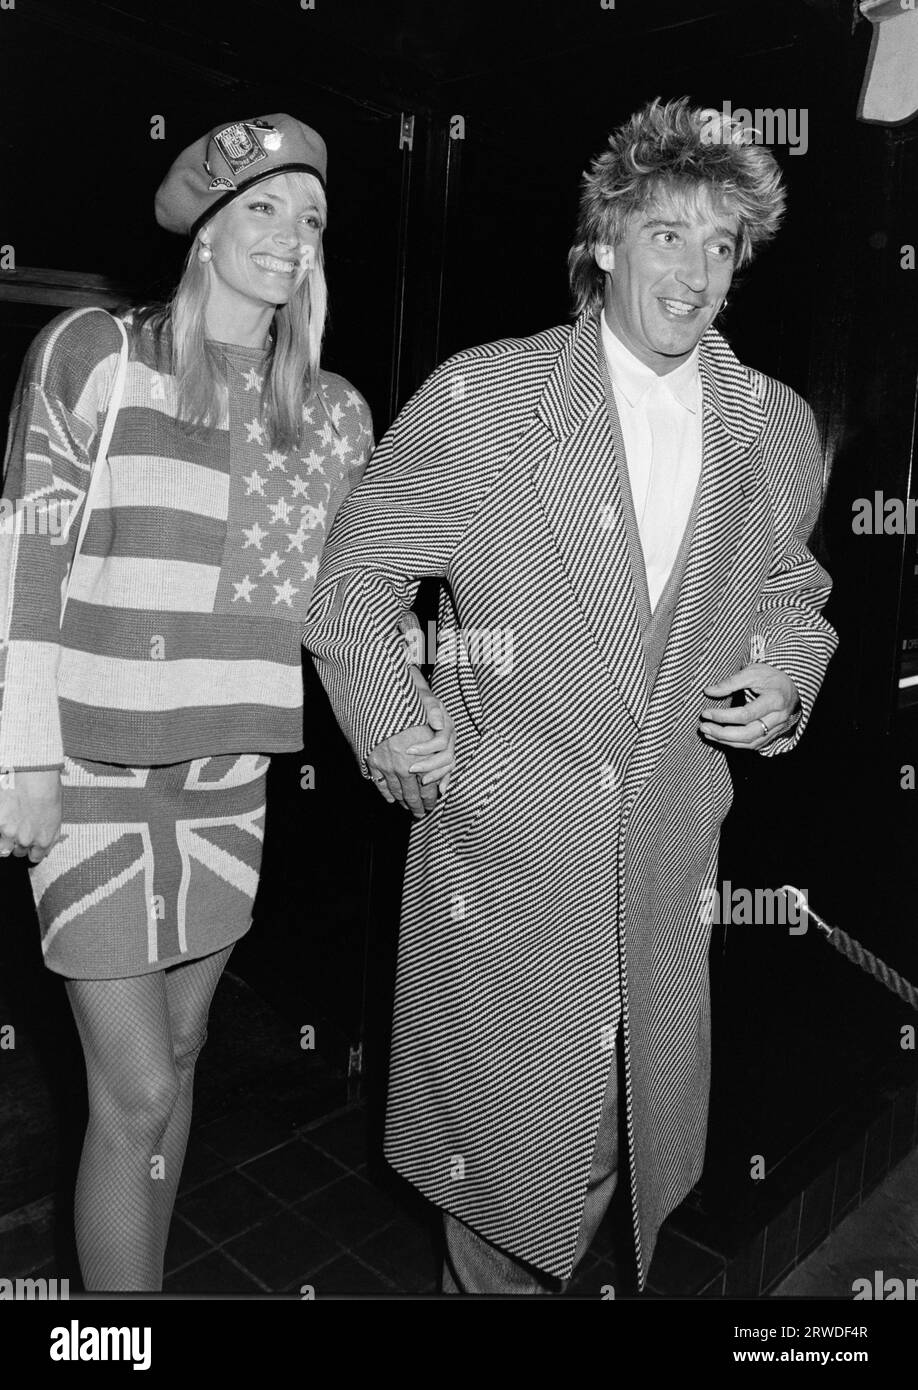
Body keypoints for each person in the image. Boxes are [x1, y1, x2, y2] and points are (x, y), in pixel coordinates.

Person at [302, 97, 839, 1294]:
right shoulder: (489, 399)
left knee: (609, 1157)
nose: (696, 274)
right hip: (508, 862)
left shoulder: (778, 425)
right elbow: (355, 583)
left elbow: (793, 589)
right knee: (502, 1189)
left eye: (722, 246)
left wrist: (787, 675)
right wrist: (396, 722)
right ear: (605, 242)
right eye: (668, 236)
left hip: (662, 868)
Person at [0, 112, 453, 1292]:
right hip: (90, 774)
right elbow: (23, 554)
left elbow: (357, 599)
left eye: (309, 218)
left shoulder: (336, 415)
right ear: (205, 226)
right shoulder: (95, 351)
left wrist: (416, 699)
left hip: (226, 779)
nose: (291, 236)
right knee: (136, 1087)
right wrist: (21, 753)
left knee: (187, 1052)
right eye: (262, 207)